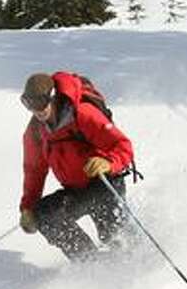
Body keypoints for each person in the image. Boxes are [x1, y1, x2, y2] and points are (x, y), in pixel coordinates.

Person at [18, 71, 136, 262]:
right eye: (29, 104)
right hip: (76, 191)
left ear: (53, 97)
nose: (37, 110)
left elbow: (123, 146)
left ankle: (144, 262)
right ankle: (90, 263)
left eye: (41, 102)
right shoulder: (35, 132)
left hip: (104, 184)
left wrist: (108, 163)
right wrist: (27, 208)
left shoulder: (82, 114)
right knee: (46, 215)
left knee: (116, 239)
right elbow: (34, 171)